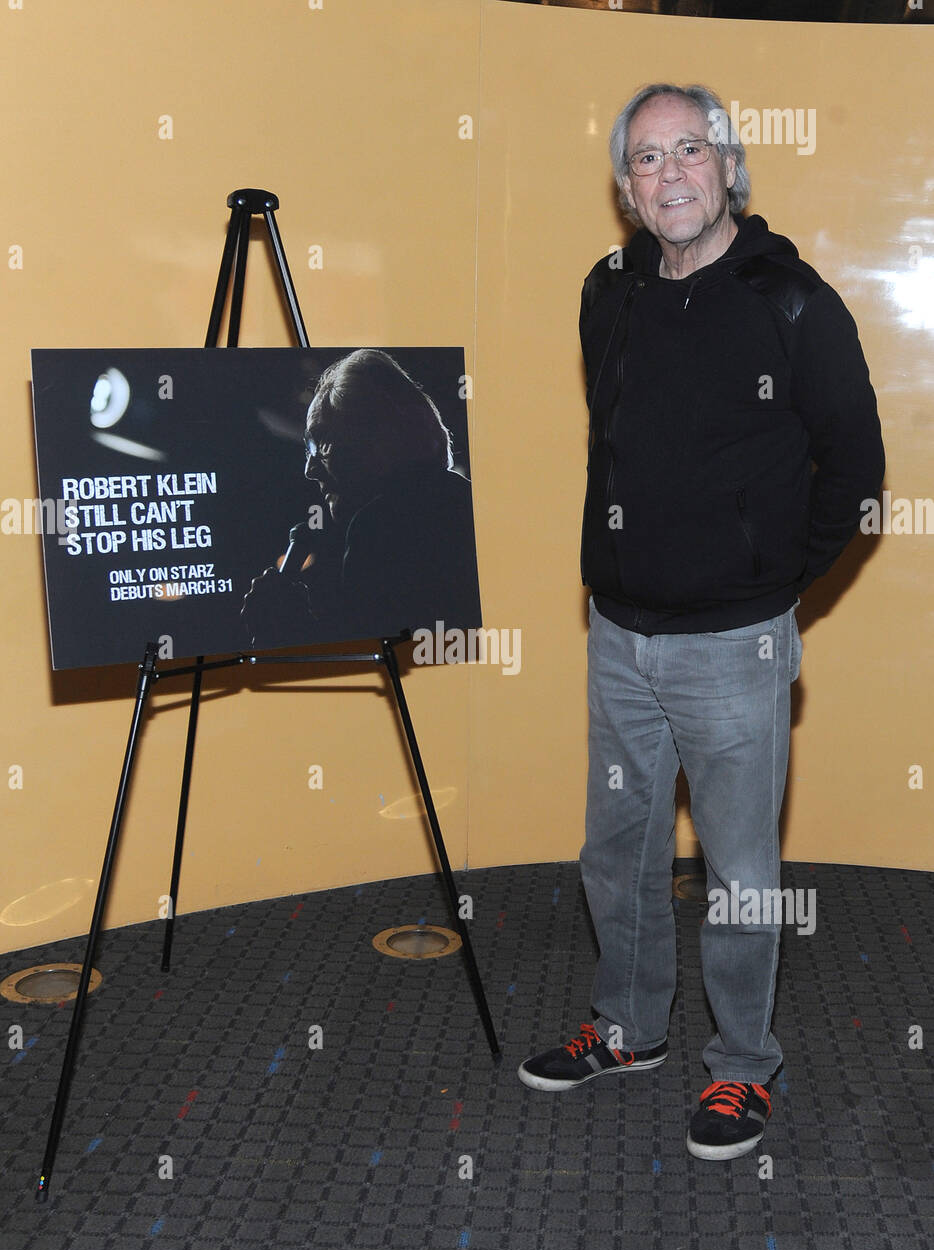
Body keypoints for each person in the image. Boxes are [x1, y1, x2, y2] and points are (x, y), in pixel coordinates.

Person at [518, 83, 885, 1160]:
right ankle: (629, 1029)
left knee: (739, 873)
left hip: (738, 644)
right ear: (624, 187)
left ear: (728, 166)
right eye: (644, 159)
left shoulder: (793, 300)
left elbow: (857, 474)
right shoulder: (609, 290)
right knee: (616, 851)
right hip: (618, 638)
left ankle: (742, 1066)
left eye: (689, 151)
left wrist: (770, 585)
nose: (668, 173)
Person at [241, 349, 479, 647]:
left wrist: (285, 627)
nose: (309, 470)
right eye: (308, 450)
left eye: (323, 442)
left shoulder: (379, 526)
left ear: (381, 437)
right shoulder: (466, 502)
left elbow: (379, 670)